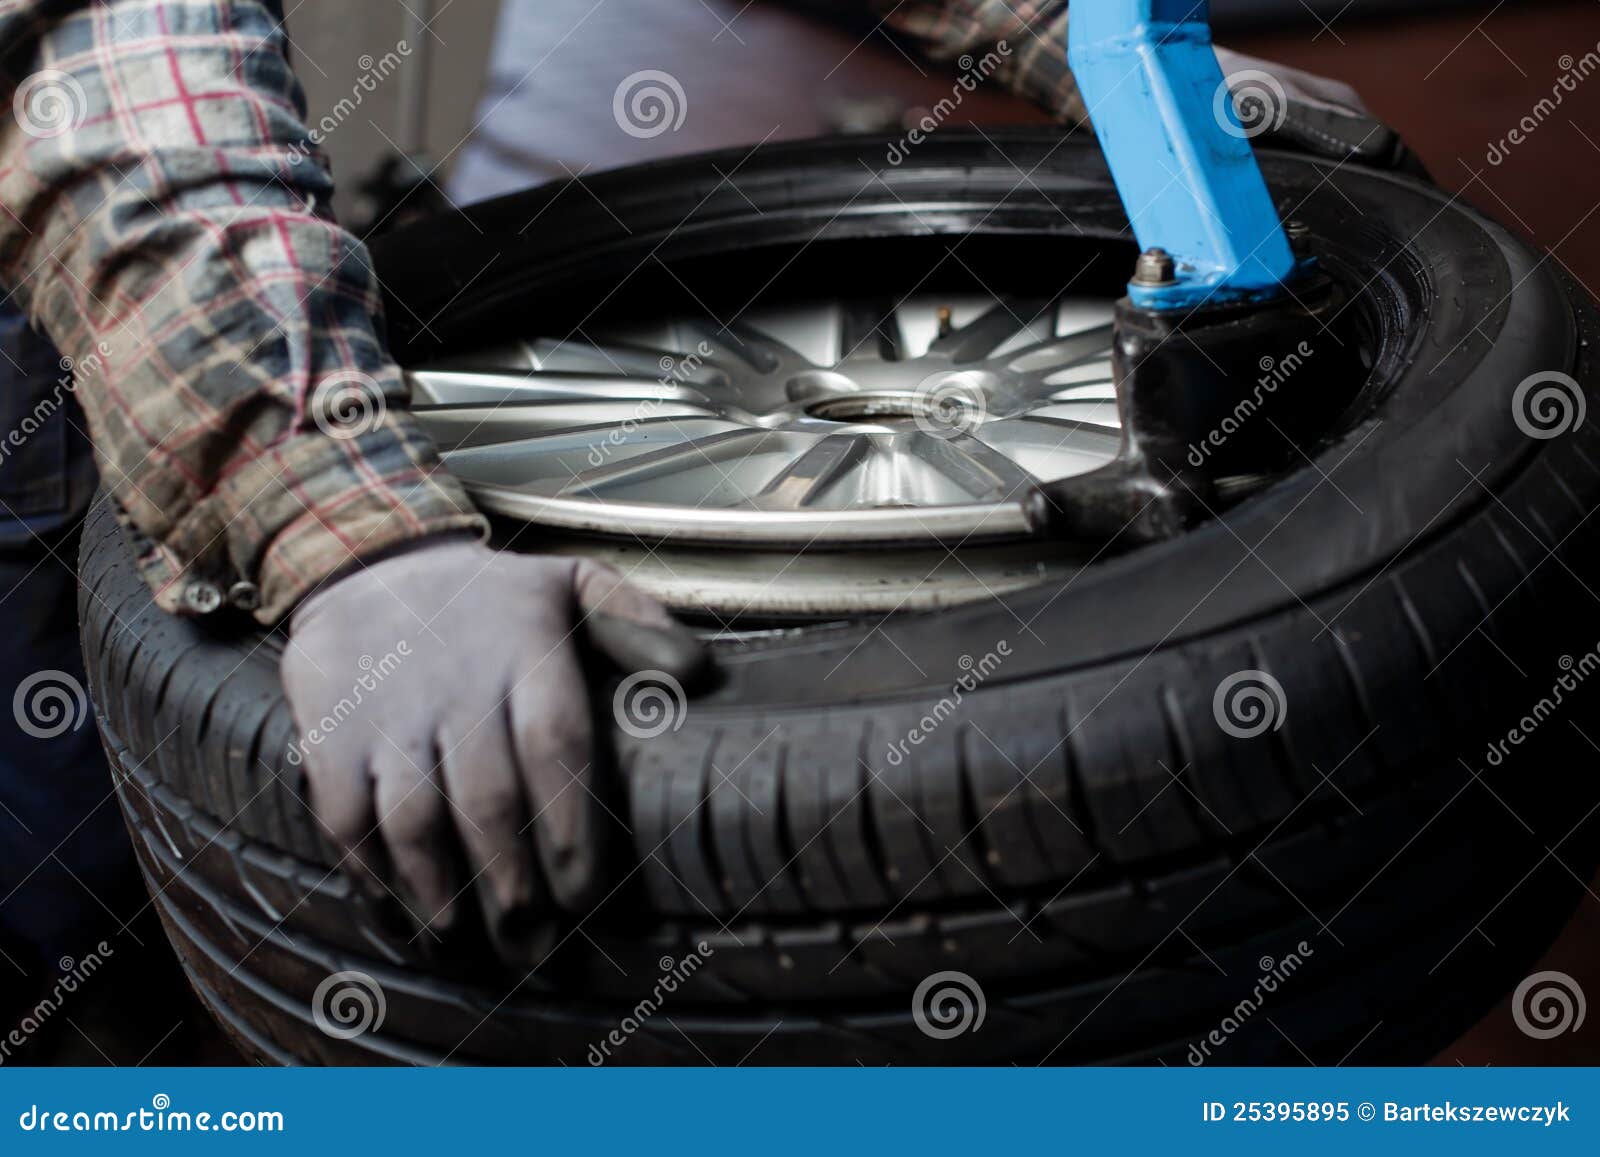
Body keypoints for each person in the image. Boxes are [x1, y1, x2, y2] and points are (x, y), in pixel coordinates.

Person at [0, 0, 1374, 1000]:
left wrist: (1083, 37)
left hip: (274, 229)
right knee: (96, 917)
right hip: (46, 396)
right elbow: (114, 82)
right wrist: (342, 523)